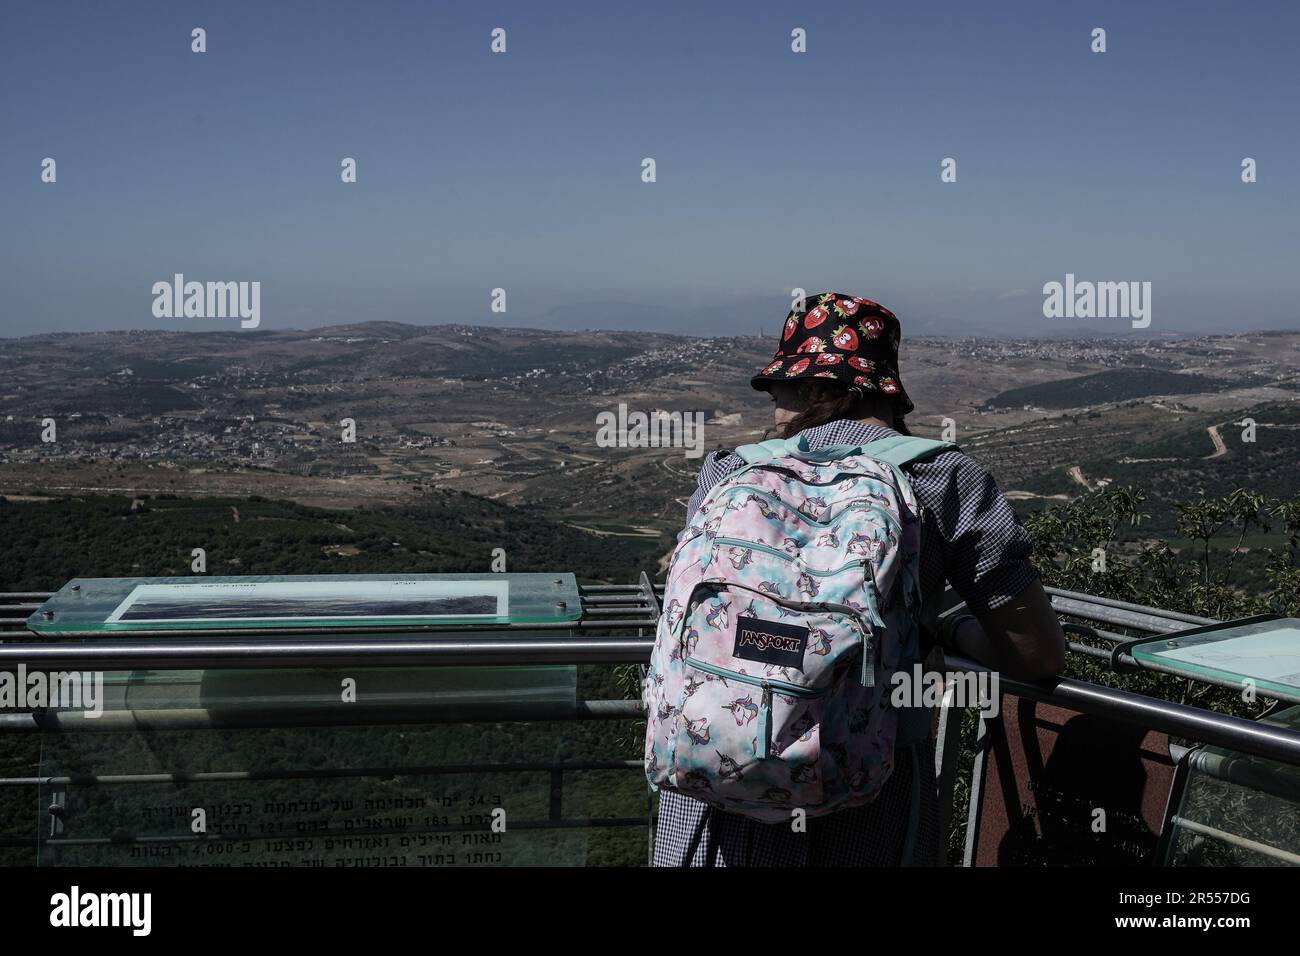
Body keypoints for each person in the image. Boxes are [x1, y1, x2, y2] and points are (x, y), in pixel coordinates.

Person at [652, 292, 1066, 866]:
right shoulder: (943, 478)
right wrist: (950, 631)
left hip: (712, 793)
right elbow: (1037, 657)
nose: (773, 404)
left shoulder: (728, 472)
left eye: (778, 387)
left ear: (822, 388)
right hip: (866, 806)